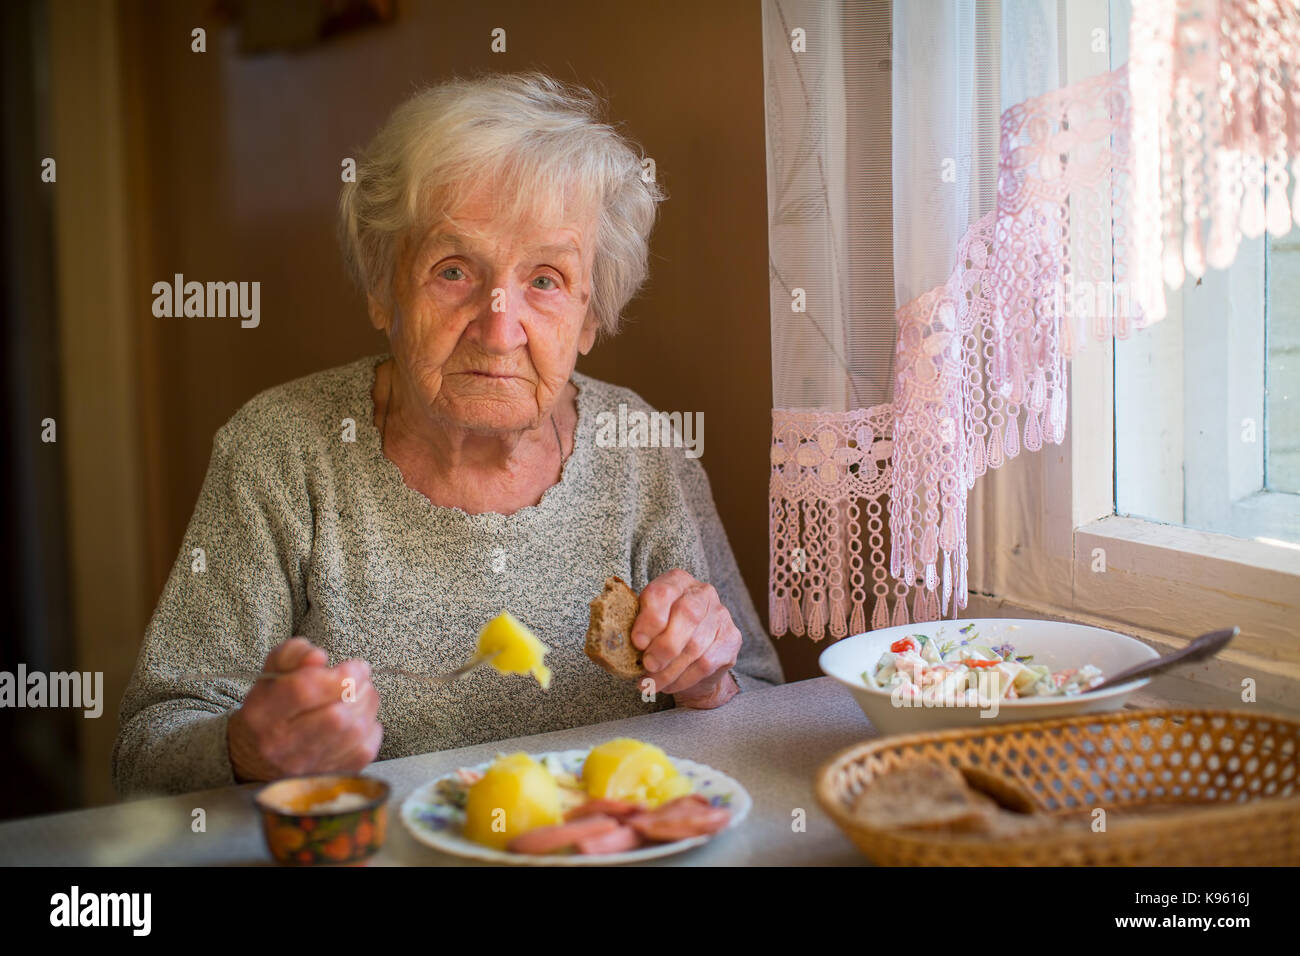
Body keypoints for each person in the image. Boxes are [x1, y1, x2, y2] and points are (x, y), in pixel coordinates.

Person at [113, 72, 783, 797]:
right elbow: (147, 755)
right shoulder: (279, 452)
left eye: (547, 280)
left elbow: (760, 707)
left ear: (591, 316)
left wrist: (709, 684)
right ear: (382, 288)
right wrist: (246, 749)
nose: (499, 331)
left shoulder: (642, 446)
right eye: (454, 270)